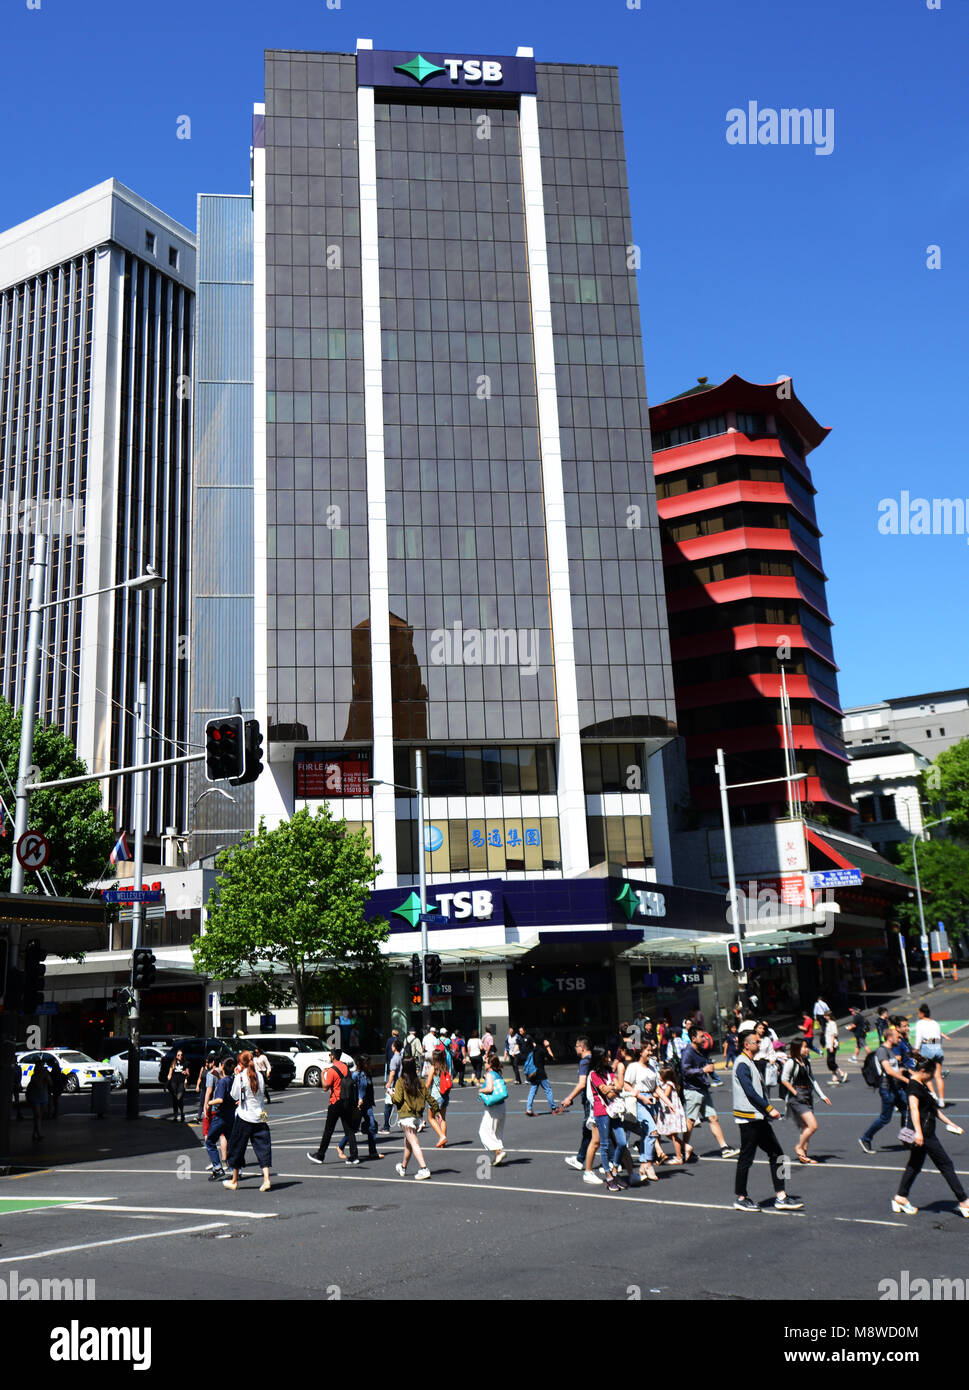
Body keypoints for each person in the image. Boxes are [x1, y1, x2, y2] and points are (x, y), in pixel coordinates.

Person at [732, 1029, 803, 1212]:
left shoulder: (750, 1062)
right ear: (746, 1045)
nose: (759, 1044)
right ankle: (741, 1197)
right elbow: (750, 1092)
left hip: (758, 1118)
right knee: (746, 1158)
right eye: (756, 1042)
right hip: (749, 1120)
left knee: (778, 1154)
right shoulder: (741, 1064)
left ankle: (781, 1196)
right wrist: (769, 1108)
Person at [891, 1056, 969, 1218]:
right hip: (924, 1134)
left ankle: (900, 1197)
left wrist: (951, 1123)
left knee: (914, 1165)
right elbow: (914, 1109)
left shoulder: (922, 1085)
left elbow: (934, 1110)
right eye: (932, 1074)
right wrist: (919, 1133)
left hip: (926, 1132)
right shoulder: (913, 1086)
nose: (933, 1077)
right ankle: (963, 1201)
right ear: (923, 1071)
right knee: (946, 1164)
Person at [680, 1026, 740, 1160]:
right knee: (690, 1121)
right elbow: (685, 1070)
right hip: (693, 1091)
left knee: (713, 1118)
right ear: (693, 1038)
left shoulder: (701, 1050)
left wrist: (709, 1070)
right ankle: (683, 1149)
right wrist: (703, 1070)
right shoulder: (688, 1052)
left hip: (703, 1089)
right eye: (701, 1036)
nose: (704, 1038)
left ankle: (724, 1147)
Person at [223, 1050, 272, 1191]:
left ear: (241, 1063)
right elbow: (262, 1097)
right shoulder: (260, 1077)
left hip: (244, 1116)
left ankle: (234, 1180)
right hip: (260, 1115)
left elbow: (233, 1095)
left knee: (237, 1147)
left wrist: (236, 1075)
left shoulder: (241, 1077)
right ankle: (267, 1179)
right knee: (263, 1147)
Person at [859, 1024, 909, 1154]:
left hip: (896, 1088)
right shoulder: (882, 1051)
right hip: (887, 1089)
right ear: (889, 1037)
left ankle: (906, 1138)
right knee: (885, 1118)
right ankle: (866, 1138)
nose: (900, 1039)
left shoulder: (891, 1050)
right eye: (898, 1037)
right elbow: (888, 1070)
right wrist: (905, 1080)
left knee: (906, 1111)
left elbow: (896, 1068)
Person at [780, 1038, 831, 1163]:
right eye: (804, 1047)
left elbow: (812, 1079)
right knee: (813, 1126)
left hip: (808, 1095)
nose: (807, 1049)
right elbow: (784, 1079)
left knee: (805, 1127)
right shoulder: (791, 1063)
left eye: (807, 1047)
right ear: (797, 1049)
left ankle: (804, 1155)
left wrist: (822, 1095)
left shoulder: (806, 1062)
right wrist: (795, 1093)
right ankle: (799, 1147)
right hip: (797, 1097)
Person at [586, 1047, 630, 1191]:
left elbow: (619, 1086)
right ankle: (609, 1177)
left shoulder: (610, 1071)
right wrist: (612, 1088)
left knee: (622, 1143)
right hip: (602, 1111)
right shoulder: (593, 1074)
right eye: (607, 1057)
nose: (610, 1059)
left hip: (614, 1111)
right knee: (604, 1145)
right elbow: (608, 1093)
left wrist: (611, 1087)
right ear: (600, 1058)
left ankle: (615, 1170)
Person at [306, 1052, 361, 1166]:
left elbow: (325, 1087)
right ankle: (354, 1156)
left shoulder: (331, 1071)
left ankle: (320, 1155)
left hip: (335, 1102)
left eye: (330, 1055)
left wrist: (322, 1074)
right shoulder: (345, 1067)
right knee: (349, 1129)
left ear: (333, 1056)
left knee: (328, 1130)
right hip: (346, 1101)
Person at [392, 1057, 439, 1180]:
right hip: (417, 1117)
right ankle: (403, 1167)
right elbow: (429, 1097)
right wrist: (436, 1110)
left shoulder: (400, 1081)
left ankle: (424, 1169)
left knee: (414, 1143)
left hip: (406, 1116)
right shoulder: (420, 1082)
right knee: (408, 1143)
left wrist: (391, 1095)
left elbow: (397, 1100)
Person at [622, 1039, 660, 1181]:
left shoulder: (651, 1066)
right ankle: (647, 1164)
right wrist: (640, 1096)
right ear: (641, 1052)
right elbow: (626, 1085)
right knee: (652, 1131)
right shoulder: (633, 1067)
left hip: (651, 1100)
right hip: (639, 1101)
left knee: (646, 1133)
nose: (651, 1052)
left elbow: (656, 1087)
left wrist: (669, 1103)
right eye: (648, 1050)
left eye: (651, 1050)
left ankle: (644, 1165)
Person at [559, 1037, 594, 1171]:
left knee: (593, 1130)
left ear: (582, 1048)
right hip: (596, 1099)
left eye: (576, 1046)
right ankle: (580, 1159)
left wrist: (569, 1098)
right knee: (592, 1131)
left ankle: (615, 1161)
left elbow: (582, 1084)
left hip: (590, 1101)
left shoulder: (584, 1062)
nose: (575, 1048)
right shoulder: (594, 1059)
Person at [204, 1056, 237, 1180]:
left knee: (210, 1141)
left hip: (221, 1116)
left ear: (222, 1067)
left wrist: (209, 1103)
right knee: (230, 1141)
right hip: (231, 1115)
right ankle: (235, 1169)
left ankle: (217, 1168)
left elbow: (220, 1099)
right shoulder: (231, 1080)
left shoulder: (223, 1082)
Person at [653, 1065, 689, 1165]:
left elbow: (665, 1095)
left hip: (672, 1112)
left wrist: (656, 1094)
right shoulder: (665, 1083)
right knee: (669, 1133)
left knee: (673, 1134)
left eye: (660, 1075)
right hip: (668, 1112)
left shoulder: (669, 1083)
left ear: (665, 1076)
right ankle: (685, 1147)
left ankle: (678, 1157)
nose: (658, 1076)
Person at [478, 1052, 508, 1166]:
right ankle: (497, 1156)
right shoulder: (498, 1074)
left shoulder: (490, 1074)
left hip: (493, 1108)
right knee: (496, 1132)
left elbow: (490, 1089)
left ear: (490, 1064)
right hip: (501, 1106)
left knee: (483, 1132)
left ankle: (498, 1152)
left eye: (486, 1062)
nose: (484, 1064)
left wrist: (480, 1090)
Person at [913, 1005, 946, 1107]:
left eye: (918, 1013)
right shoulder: (935, 1023)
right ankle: (941, 1100)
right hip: (937, 1047)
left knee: (924, 1074)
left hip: (927, 1046)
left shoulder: (920, 1023)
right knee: (938, 1076)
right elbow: (939, 1038)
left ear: (922, 1013)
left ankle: (932, 1095)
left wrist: (916, 1049)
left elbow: (919, 1038)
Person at [352, 1055, 383, 1161]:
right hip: (360, 1105)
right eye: (367, 1063)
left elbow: (369, 1090)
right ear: (362, 1064)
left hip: (368, 1104)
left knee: (372, 1126)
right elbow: (352, 1089)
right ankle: (340, 1146)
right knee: (354, 1128)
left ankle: (372, 1152)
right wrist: (357, 1101)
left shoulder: (368, 1074)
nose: (369, 1065)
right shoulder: (356, 1075)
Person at [422, 1048, 451, 1148]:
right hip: (444, 1096)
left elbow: (428, 1083)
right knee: (442, 1119)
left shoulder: (433, 1068)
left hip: (434, 1097)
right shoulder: (445, 1067)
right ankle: (443, 1142)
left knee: (431, 1118)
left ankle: (442, 1136)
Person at [523, 1035, 556, 1115]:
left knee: (532, 1091)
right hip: (541, 1073)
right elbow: (552, 1058)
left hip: (533, 1073)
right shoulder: (542, 1050)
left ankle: (528, 1109)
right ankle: (554, 1108)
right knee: (548, 1090)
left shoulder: (533, 1050)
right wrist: (548, 1047)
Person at [381, 1037, 403, 1132]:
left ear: (394, 1048)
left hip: (395, 1084)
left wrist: (389, 1084)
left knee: (388, 1105)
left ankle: (386, 1126)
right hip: (402, 1083)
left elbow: (392, 1073)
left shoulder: (394, 1059)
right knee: (402, 1103)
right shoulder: (402, 1057)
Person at [25, 1058, 50, 1142]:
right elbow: (37, 1084)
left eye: (43, 1065)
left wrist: (46, 1077)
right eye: (41, 1066)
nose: (42, 1067)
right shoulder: (34, 1076)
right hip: (35, 1097)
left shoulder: (46, 1074)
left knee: (39, 1117)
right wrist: (42, 1076)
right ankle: (39, 1134)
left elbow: (51, 1083)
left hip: (43, 1097)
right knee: (38, 1115)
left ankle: (34, 1133)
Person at [823, 1013, 848, 1085]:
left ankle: (842, 1072)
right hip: (829, 1045)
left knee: (830, 1061)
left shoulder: (832, 1023)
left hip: (832, 1045)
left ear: (829, 1016)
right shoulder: (828, 1023)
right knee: (831, 1061)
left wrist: (831, 1046)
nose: (825, 1017)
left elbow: (834, 1034)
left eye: (826, 1016)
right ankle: (834, 1077)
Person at [167, 1048, 190, 1121]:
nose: (180, 1056)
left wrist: (186, 1073)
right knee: (175, 1099)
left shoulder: (186, 1063)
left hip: (181, 1082)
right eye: (179, 1055)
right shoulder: (173, 1063)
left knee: (179, 1098)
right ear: (176, 1056)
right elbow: (170, 1074)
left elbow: (188, 1073)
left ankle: (182, 1113)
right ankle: (175, 1116)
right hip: (173, 1083)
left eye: (181, 1055)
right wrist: (167, 1083)